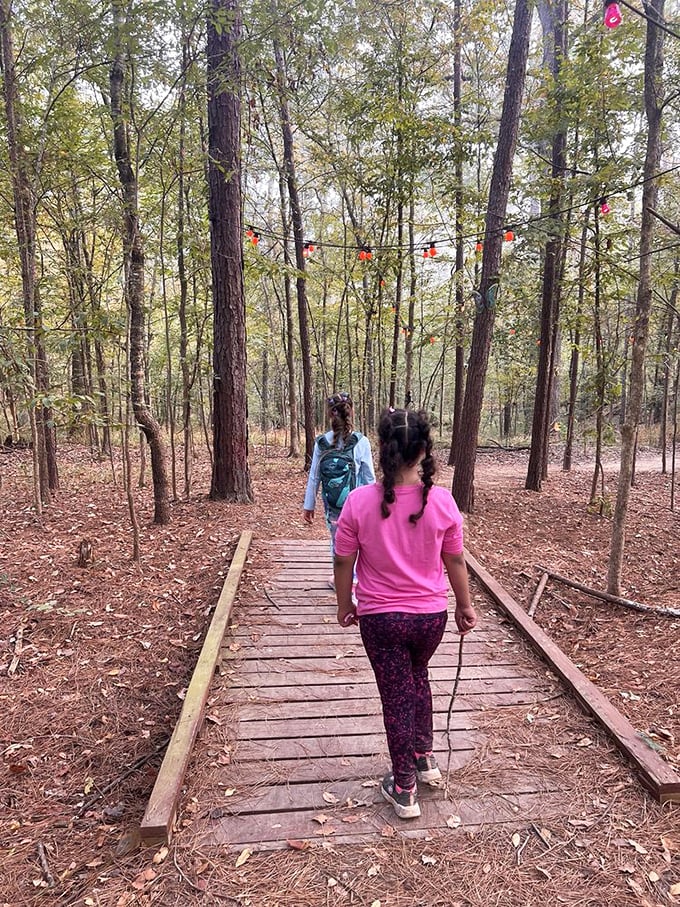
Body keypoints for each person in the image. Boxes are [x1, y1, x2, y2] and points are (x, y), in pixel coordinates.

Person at [333, 408, 477, 820]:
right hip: (431, 617)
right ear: (425, 450)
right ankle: (423, 758)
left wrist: (346, 604)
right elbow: (456, 561)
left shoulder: (360, 503)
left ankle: (403, 786)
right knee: (418, 678)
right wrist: (465, 607)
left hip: (382, 620)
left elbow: (343, 561)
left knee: (396, 694)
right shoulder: (443, 501)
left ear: (383, 450)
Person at [302, 391, 375, 588]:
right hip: (359, 506)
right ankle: (357, 578)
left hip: (333, 506)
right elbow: (369, 477)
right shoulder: (361, 441)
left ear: (330, 414)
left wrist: (309, 505)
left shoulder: (321, 442)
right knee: (360, 541)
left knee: (338, 541)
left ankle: (340, 580)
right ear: (351, 412)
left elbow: (314, 476)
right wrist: (377, 505)